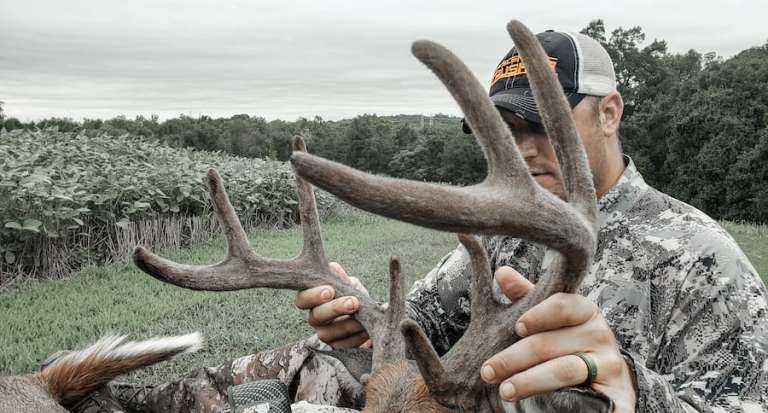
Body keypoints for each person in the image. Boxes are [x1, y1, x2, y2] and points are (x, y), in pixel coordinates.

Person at [74, 30, 767, 413]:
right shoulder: (504, 234)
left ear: (609, 112)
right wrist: (362, 315)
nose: (522, 145)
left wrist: (631, 390)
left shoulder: (700, 257)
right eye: (499, 127)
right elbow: (422, 330)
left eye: (538, 121)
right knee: (319, 361)